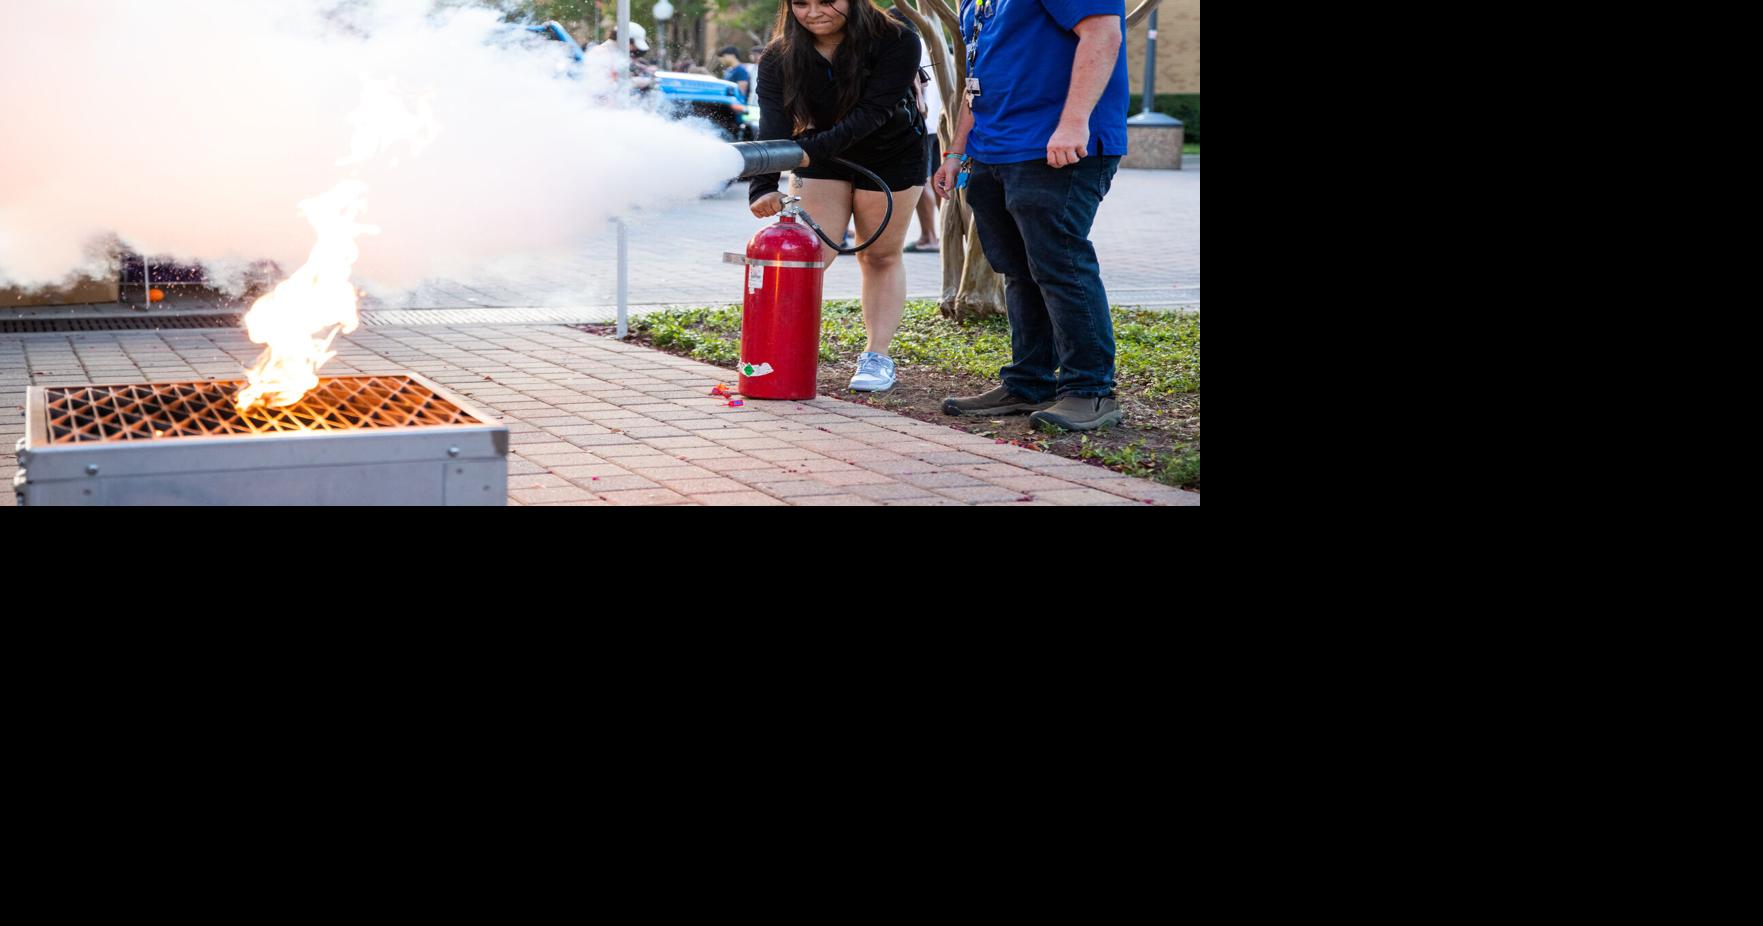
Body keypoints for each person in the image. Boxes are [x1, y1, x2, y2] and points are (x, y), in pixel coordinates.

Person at [934, 0, 1129, 431]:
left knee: (1059, 264)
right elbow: (976, 75)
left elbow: (1102, 33)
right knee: (1018, 269)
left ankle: (1091, 391)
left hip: (1057, 146)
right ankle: (1029, 382)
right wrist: (957, 148)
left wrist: (1075, 121)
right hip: (993, 148)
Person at [749, 0, 928, 392]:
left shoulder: (897, 39)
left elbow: (873, 113)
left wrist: (810, 149)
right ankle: (777, 352)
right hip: (820, 156)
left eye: (827, 0)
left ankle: (877, 356)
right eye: (801, 3)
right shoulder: (779, 56)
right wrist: (762, 186)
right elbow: (773, 125)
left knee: (879, 254)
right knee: (811, 254)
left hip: (890, 155)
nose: (814, 12)